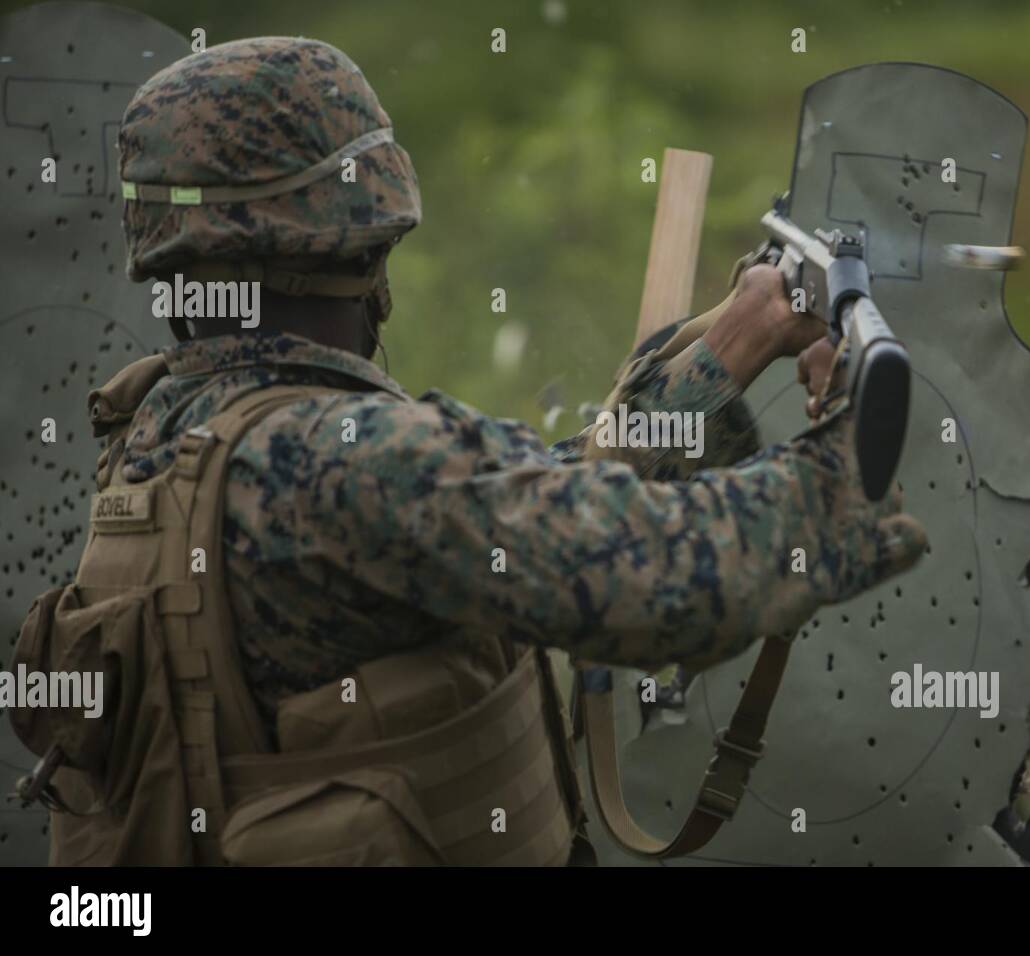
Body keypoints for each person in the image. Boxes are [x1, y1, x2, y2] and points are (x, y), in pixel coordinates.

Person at [11, 36, 926, 866]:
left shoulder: (166, 437)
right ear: (365, 233)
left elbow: (506, 524)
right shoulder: (348, 457)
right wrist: (848, 459)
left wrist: (725, 351)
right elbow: (650, 580)